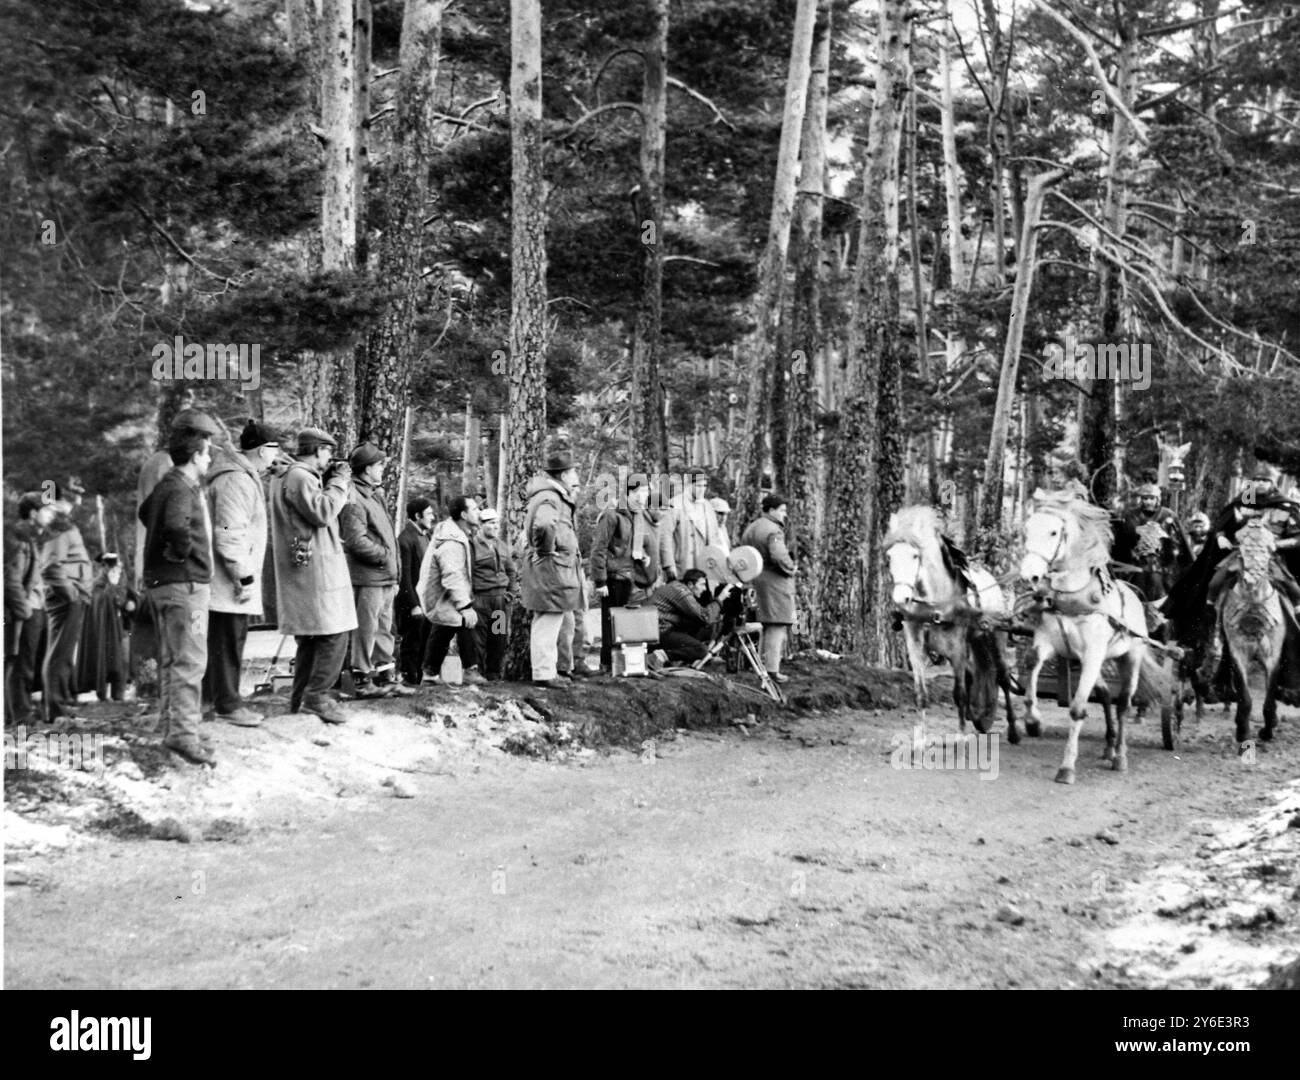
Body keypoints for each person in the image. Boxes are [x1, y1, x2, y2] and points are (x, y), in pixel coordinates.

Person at [1165, 461, 1300, 691]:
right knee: (1215, 581)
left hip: (1270, 558)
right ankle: (1210, 619)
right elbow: (1223, 524)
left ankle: (1294, 624)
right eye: (1256, 479)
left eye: (1265, 481)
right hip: (1240, 555)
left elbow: (1298, 538)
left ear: (1273, 483)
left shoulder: (1286, 506)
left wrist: (1277, 545)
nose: (1259, 484)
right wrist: (1220, 537)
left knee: (1293, 587)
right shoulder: (1245, 498)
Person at [138, 428, 216, 765]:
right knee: (191, 660)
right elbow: (176, 526)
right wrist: (179, 552)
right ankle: (185, 734)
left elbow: (146, 513)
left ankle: (172, 726)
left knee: (172, 659)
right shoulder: (183, 488)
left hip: (161, 586)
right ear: (196, 456)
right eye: (207, 453)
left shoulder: (165, 485)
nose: (210, 459)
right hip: (186, 587)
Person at [269, 428, 357, 725]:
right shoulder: (300, 477)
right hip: (315, 569)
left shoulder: (289, 475)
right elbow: (323, 511)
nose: (330, 459)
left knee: (310, 638)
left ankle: (300, 699)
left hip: (305, 566)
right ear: (318, 450)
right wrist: (339, 482)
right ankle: (317, 696)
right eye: (328, 452)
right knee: (335, 632)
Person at [202, 419, 280, 727]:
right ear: (263, 450)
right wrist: (244, 576)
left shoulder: (241, 476)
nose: (277, 456)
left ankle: (215, 701)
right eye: (274, 450)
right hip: (227, 582)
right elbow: (229, 533)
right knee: (228, 641)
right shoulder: (236, 481)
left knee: (226, 641)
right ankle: (228, 704)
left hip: (226, 579)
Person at [339, 442, 410, 697]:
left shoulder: (374, 495)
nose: (383, 468)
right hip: (369, 577)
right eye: (379, 464)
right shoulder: (354, 498)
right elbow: (356, 540)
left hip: (383, 577)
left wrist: (391, 567)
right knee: (365, 629)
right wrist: (385, 557)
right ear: (367, 469)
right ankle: (361, 679)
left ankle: (386, 676)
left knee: (383, 628)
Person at [519, 447, 583, 688]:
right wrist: (546, 549)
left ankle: (547, 671)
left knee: (552, 619)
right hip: (551, 568)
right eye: (573, 471)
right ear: (564, 475)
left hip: (553, 568)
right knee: (548, 620)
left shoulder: (549, 495)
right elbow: (545, 525)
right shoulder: (550, 497)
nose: (575, 476)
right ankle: (545, 673)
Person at [591, 474, 660, 674]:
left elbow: (629, 546)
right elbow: (599, 548)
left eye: (645, 493)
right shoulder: (611, 514)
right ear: (628, 492)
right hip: (612, 577)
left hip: (628, 576)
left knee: (623, 623)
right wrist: (600, 580)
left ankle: (619, 665)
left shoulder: (635, 515)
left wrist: (642, 557)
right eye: (638, 492)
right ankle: (606, 665)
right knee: (609, 622)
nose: (642, 497)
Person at [40, 479, 93, 722]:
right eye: (73, 496)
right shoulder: (58, 524)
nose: (77, 501)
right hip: (66, 596)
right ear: (61, 500)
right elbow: (51, 566)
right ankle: (56, 709)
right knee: (59, 653)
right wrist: (71, 593)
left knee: (61, 652)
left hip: (68, 594)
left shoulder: (59, 523)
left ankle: (58, 705)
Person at [417, 495, 484, 686]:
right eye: (475, 509)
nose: (478, 512)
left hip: (448, 594)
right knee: (461, 621)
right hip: (441, 594)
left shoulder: (457, 533)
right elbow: (452, 575)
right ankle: (467, 670)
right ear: (463, 514)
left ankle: (431, 673)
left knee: (450, 626)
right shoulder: (452, 540)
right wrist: (464, 605)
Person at [5, 492, 54, 725]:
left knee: (27, 663)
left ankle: (20, 713)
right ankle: (20, 716)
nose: (50, 515)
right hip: (26, 610)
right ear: (33, 513)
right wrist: (23, 610)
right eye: (45, 510)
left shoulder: (29, 537)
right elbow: (10, 579)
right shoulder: (18, 537)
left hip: (35, 607)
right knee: (20, 664)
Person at [739, 492, 797, 683]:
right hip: (775, 582)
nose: (784, 515)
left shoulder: (752, 528)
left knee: (766, 624)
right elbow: (779, 555)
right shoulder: (774, 531)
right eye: (781, 511)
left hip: (755, 578)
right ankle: (772, 669)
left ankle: (761, 666)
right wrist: (791, 567)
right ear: (771, 510)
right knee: (777, 625)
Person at [1110, 479, 1192, 603]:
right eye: (1145, 498)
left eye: (1151, 498)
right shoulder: (1130, 517)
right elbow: (1121, 546)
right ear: (1140, 499)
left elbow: (1180, 545)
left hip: (1163, 569)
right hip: (1136, 568)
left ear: (1157, 499)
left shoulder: (1168, 516)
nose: (1148, 501)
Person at [76, 553, 137, 702]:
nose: (114, 568)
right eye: (110, 565)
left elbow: (129, 596)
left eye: (115, 564)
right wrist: (113, 589)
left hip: (122, 626)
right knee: (103, 659)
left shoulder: (121, 579)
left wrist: (131, 603)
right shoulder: (97, 584)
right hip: (104, 630)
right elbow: (101, 602)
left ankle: (119, 696)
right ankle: (102, 695)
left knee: (123, 659)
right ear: (104, 566)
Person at [469, 506, 517, 681]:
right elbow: (467, 573)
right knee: (478, 639)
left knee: (498, 638)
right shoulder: (472, 545)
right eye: (490, 523)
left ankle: (494, 674)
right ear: (480, 525)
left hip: (500, 600)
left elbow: (511, 571)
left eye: (497, 522)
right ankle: (478, 675)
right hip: (481, 599)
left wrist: (511, 593)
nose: (495, 526)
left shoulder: (502, 546)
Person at [395, 497, 435, 687]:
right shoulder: (405, 539)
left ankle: (416, 680)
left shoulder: (425, 536)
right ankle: (408, 679)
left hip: (425, 602)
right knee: (412, 644)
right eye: (429, 514)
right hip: (412, 604)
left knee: (423, 643)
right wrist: (413, 605)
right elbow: (405, 578)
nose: (433, 517)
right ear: (417, 516)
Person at [652, 569, 729, 663]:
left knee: (698, 626)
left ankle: (668, 656)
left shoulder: (676, 587)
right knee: (701, 650)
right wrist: (720, 598)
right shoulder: (681, 591)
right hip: (659, 632)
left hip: (658, 630)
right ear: (690, 584)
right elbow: (705, 617)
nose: (704, 589)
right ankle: (660, 656)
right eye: (702, 584)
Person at [659, 470, 723, 582]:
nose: (702, 489)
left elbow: (715, 537)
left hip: (704, 566)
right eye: (698, 485)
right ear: (688, 485)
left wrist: (716, 559)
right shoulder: (675, 503)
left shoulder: (707, 507)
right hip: (682, 565)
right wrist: (669, 565)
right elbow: (665, 535)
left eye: (704, 485)